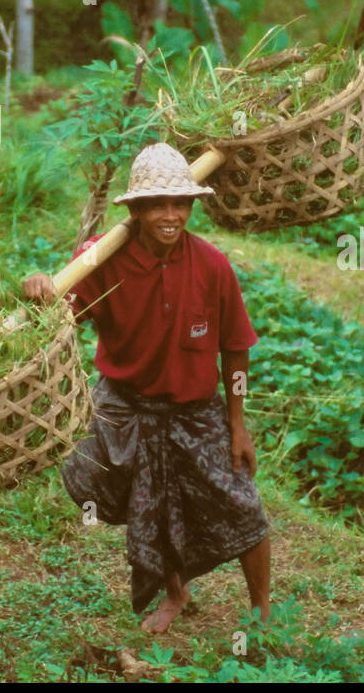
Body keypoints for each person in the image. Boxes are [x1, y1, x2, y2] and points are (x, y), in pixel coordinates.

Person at [22, 142, 270, 633]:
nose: (171, 215)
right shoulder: (100, 262)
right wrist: (39, 291)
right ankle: (174, 592)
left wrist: (237, 424)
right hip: (126, 402)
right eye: (158, 204)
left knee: (242, 503)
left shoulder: (212, 265)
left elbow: (235, 348)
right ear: (134, 209)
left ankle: (263, 609)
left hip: (196, 406)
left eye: (181, 204)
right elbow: (56, 321)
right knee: (147, 499)